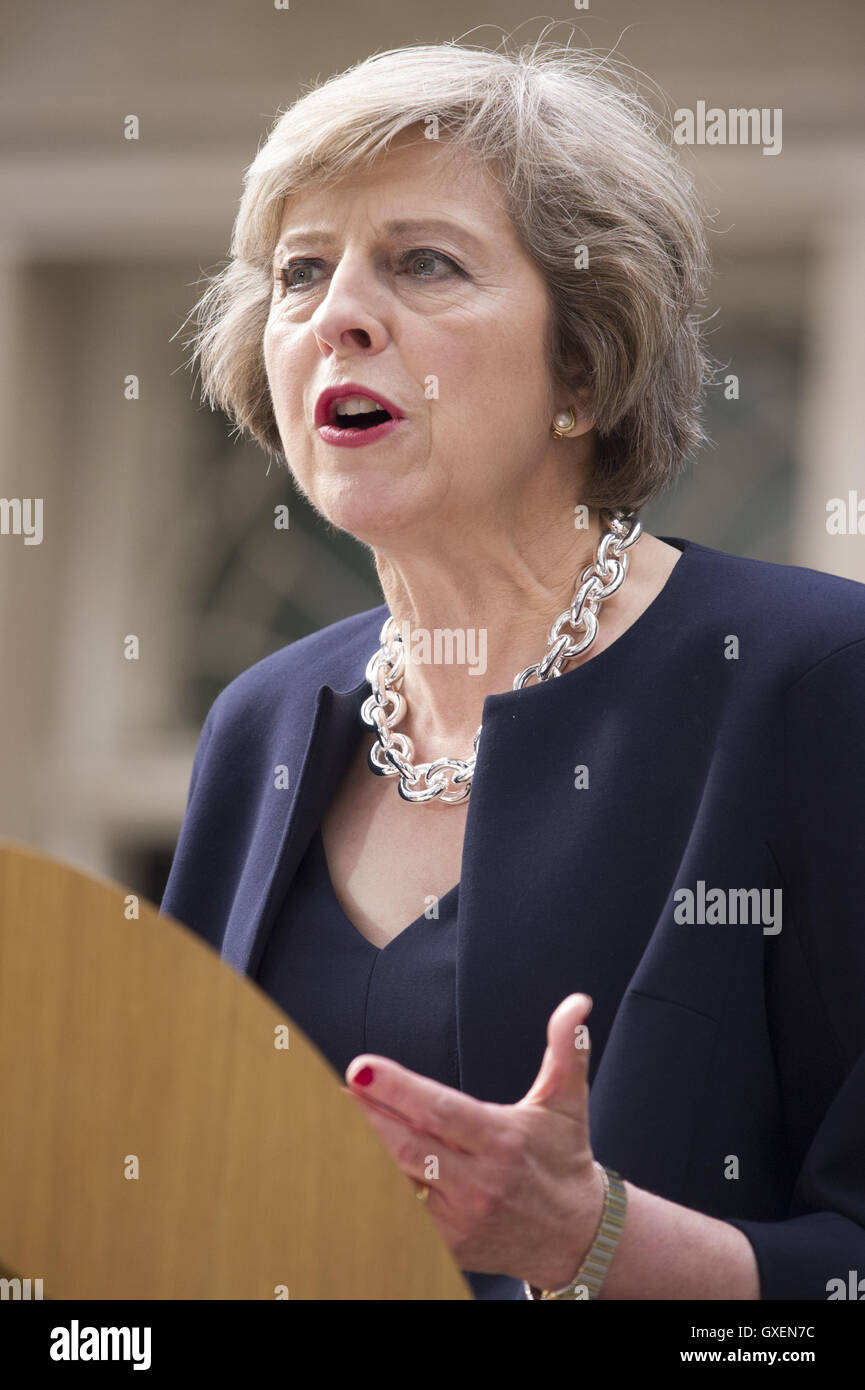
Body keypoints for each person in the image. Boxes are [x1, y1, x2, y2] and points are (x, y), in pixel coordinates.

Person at [161, 40, 865, 1300]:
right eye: (301, 273)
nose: (338, 316)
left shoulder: (816, 679)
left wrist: (594, 1244)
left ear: (584, 367)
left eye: (422, 262)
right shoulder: (258, 725)